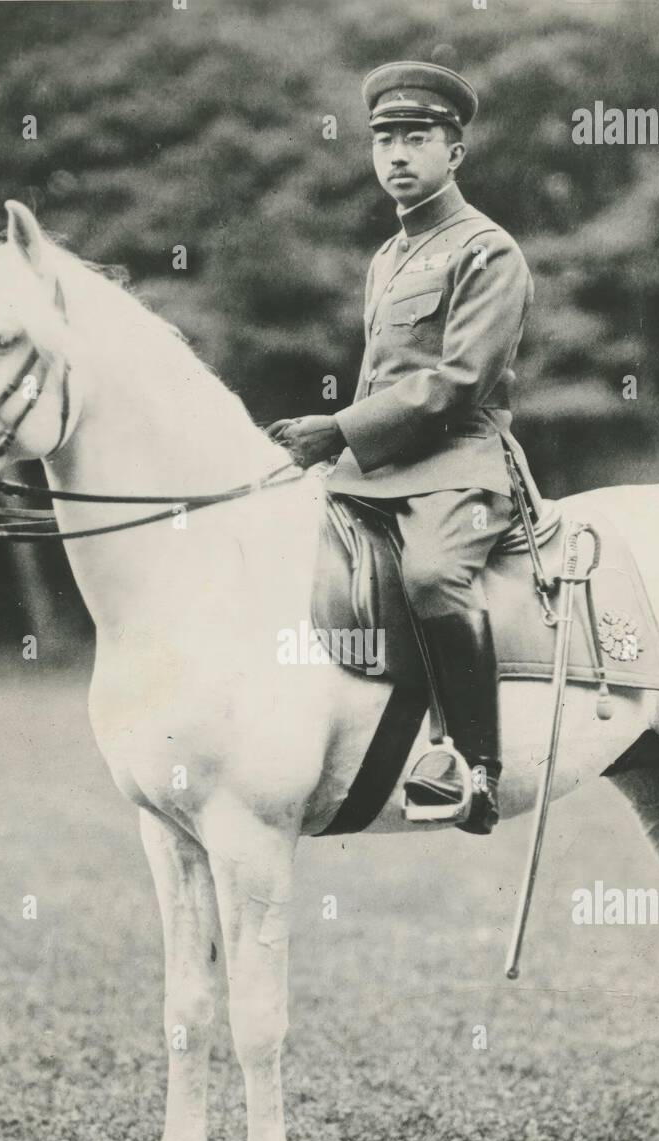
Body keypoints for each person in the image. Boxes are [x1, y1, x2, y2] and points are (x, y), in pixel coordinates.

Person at [276, 61, 536, 834]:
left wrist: (341, 429)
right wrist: (337, 448)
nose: (396, 154)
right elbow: (381, 373)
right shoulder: (387, 257)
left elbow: (459, 380)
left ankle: (473, 768)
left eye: (416, 138)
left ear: (453, 152)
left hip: (461, 461)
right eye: (384, 139)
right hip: (378, 463)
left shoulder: (488, 250)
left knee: (430, 576)